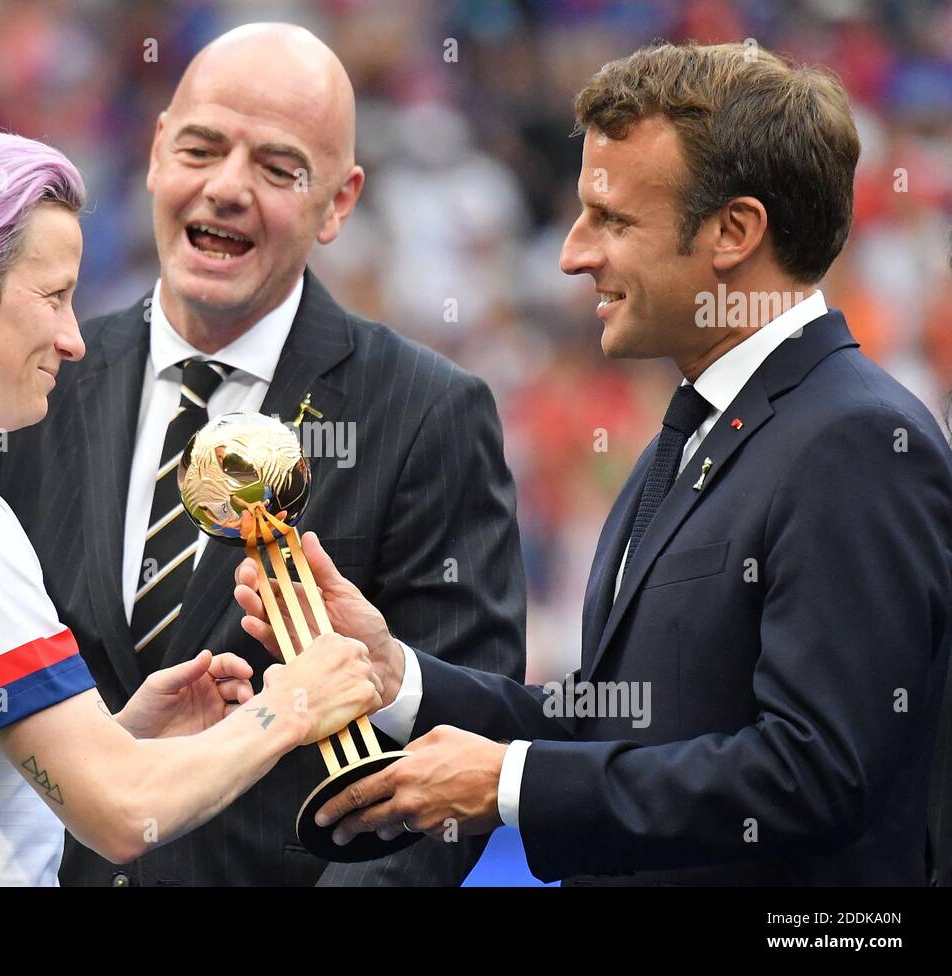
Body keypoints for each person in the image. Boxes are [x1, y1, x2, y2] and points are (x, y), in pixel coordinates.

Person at [0, 22, 525, 888]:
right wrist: (289, 704)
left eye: (276, 167)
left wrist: (116, 734)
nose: (227, 188)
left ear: (340, 200)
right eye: (202, 146)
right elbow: (113, 810)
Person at [238, 42, 952, 885]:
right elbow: (620, 722)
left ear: (734, 231)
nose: (574, 254)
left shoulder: (855, 442)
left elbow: (816, 776)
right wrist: (396, 677)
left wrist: (507, 783)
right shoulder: (687, 440)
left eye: (611, 219)